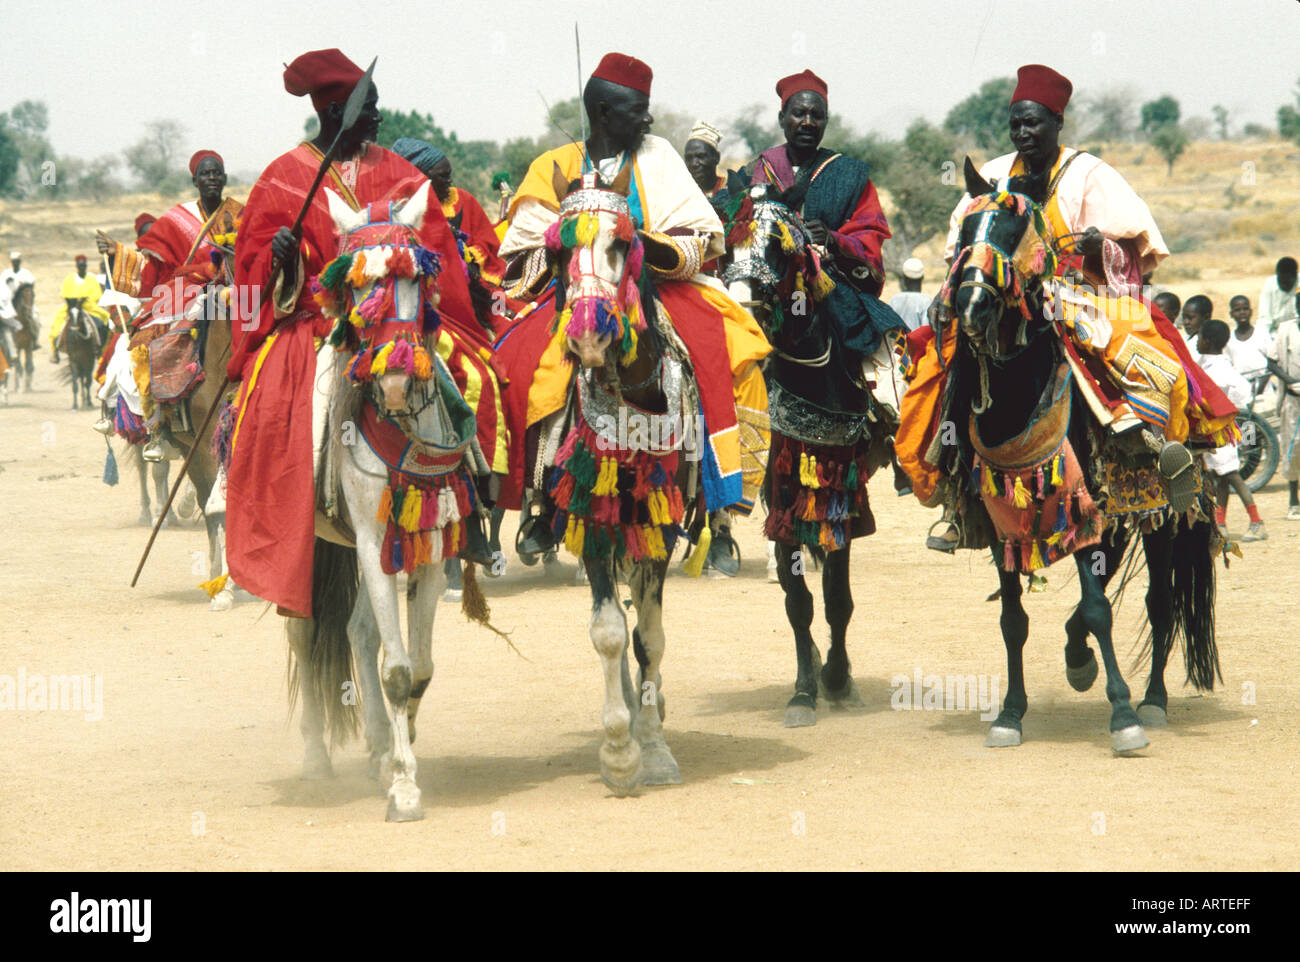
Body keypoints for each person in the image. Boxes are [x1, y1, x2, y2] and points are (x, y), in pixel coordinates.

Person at [910, 64, 1238, 550]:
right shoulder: (994, 176)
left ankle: (1157, 459)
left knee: (1150, 352)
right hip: (1006, 304)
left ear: (1057, 123)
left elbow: (1136, 259)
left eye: (1033, 122)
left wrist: (1097, 247)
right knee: (938, 369)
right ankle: (960, 496)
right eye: (1016, 123)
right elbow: (965, 248)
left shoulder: (1088, 173)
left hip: (1079, 296)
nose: (1023, 132)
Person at [224, 48, 501, 618]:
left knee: (477, 374)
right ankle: (291, 521)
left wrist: (418, 291)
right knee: (276, 406)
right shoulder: (282, 179)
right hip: (317, 323)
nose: (378, 117)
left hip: (398, 320)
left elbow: (437, 252)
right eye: (367, 109)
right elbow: (251, 273)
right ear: (333, 113)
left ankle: (472, 505)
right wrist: (283, 261)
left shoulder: (400, 174)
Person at [495, 51, 772, 571]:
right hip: (577, 295)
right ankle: (540, 500)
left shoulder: (660, 156)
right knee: (516, 367)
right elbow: (516, 266)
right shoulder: (550, 167)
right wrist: (565, 242)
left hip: (659, 291)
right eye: (635, 110)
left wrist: (636, 241)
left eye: (647, 109)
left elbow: (702, 240)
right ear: (602, 112)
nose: (646, 119)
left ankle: (720, 512)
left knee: (740, 354)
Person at [96, 150, 242, 460]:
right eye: (206, 173)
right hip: (190, 289)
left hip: (237, 288)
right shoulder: (177, 219)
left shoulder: (241, 215)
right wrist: (115, 253)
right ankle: (159, 423)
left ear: (225, 178)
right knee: (156, 338)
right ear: (195, 180)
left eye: (217, 172)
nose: (212, 177)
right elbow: (150, 269)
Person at [1196, 320, 1266, 541]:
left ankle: (1257, 522)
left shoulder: (1220, 368)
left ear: (1207, 341)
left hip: (1221, 432)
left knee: (1232, 476)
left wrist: (1227, 410)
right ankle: (1220, 524)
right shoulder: (1206, 363)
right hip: (1213, 432)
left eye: (1199, 337)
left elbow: (1243, 391)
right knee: (1222, 478)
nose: (1196, 341)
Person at [1266, 292, 1300, 520]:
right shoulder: (1286, 329)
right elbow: (1272, 363)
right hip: (1292, 399)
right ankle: (1293, 499)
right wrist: (1291, 382)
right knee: (1293, 447)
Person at [49, 256, 110, 363]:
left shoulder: (91, 279)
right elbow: (64, 293)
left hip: (88, 307)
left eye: (84, 266)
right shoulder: (69, 279)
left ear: (86, 266)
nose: (82, 268)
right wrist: (73, 301)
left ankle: (101, 349)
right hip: (71, 307)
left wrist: (84, 301)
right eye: (80, 266)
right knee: (57, 322)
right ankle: (55, 351)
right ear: (77, 266)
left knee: (103, 320)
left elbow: (96, 294)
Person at [1224, 295, 1273, 383]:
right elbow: (1228, 366)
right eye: (1237, 310)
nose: (1242, 312)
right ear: (1231, 314)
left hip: (1265, 387)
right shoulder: (1228, 339)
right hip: (1241, 388)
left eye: (1245, 309)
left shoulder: (1262, 333)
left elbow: (1272, 361)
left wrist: (1261, 386)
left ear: (1251, 312)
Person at [684, 121, 725, 199]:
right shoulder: (680, 196)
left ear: (717, 157)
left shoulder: (733, 194)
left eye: (701, 156)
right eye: (689, 158)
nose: (694, 164)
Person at [1258, 256, 1298, 335]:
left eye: (1287, 283)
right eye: (1281, 282)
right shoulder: (1270, 285)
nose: (1283, 286)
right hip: (1276, 332)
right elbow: (1265, 318)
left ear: (1295, 276)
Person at [889, 257, 929, 332]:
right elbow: (926, 330)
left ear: (904, 278)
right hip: (917, 343)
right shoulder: (926, 301)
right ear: (922, 278)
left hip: (896, 343)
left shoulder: (894, 300)